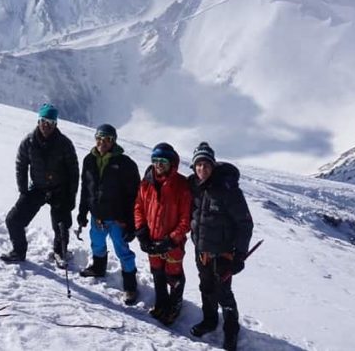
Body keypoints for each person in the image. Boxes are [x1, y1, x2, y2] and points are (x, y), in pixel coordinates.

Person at [187, 142, 253, 351]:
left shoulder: (228, 190)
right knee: (206, 287)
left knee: (224, 293)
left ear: (213, 166)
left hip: (223, 253)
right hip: (201, 250)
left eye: (206, 164)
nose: (202, 169)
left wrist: (239, 255)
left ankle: (231, 330)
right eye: (198, 165)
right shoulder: (194, 186)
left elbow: (245, 223)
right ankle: (210, 321)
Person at [0, 103, 79, 267]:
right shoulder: (28, 142)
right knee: (13, 220)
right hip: (37, 188)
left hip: (60, 190)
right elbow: (21, 165)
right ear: (38, 121)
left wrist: (71, 197)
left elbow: (73, 172)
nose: (46, 125)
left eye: (50, 122)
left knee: (62, 226)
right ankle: (18, 251)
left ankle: (60, 253)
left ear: (55, 124)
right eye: (43, 121)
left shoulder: (64, 144)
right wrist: (23, 190)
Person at [76, 124, 141, 305]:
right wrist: (82, 213)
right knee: (97, 244)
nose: (102, 142)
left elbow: (134, 197)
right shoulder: (89, 160)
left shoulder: (125, 164)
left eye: (107, 139)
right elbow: (86, 189)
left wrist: (131, 223)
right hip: (97, 216)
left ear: (113, 141)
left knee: (123, 252)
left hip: (117, 219)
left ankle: (130, 286)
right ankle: (98, 268)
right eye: (99, 138)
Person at [133, 142, 191, 325]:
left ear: (172, 163)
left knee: (174, 275)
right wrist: (142, 232)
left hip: (173, 243)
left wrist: (172, 239)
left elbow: (186, 218)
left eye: (163, 161)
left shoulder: (181, 185)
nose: (158, 164)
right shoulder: (146, 183)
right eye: (155, 160)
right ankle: (161, 303)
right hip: (152, 240)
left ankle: (174, 307)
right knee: (157, 272)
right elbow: (139, 208)